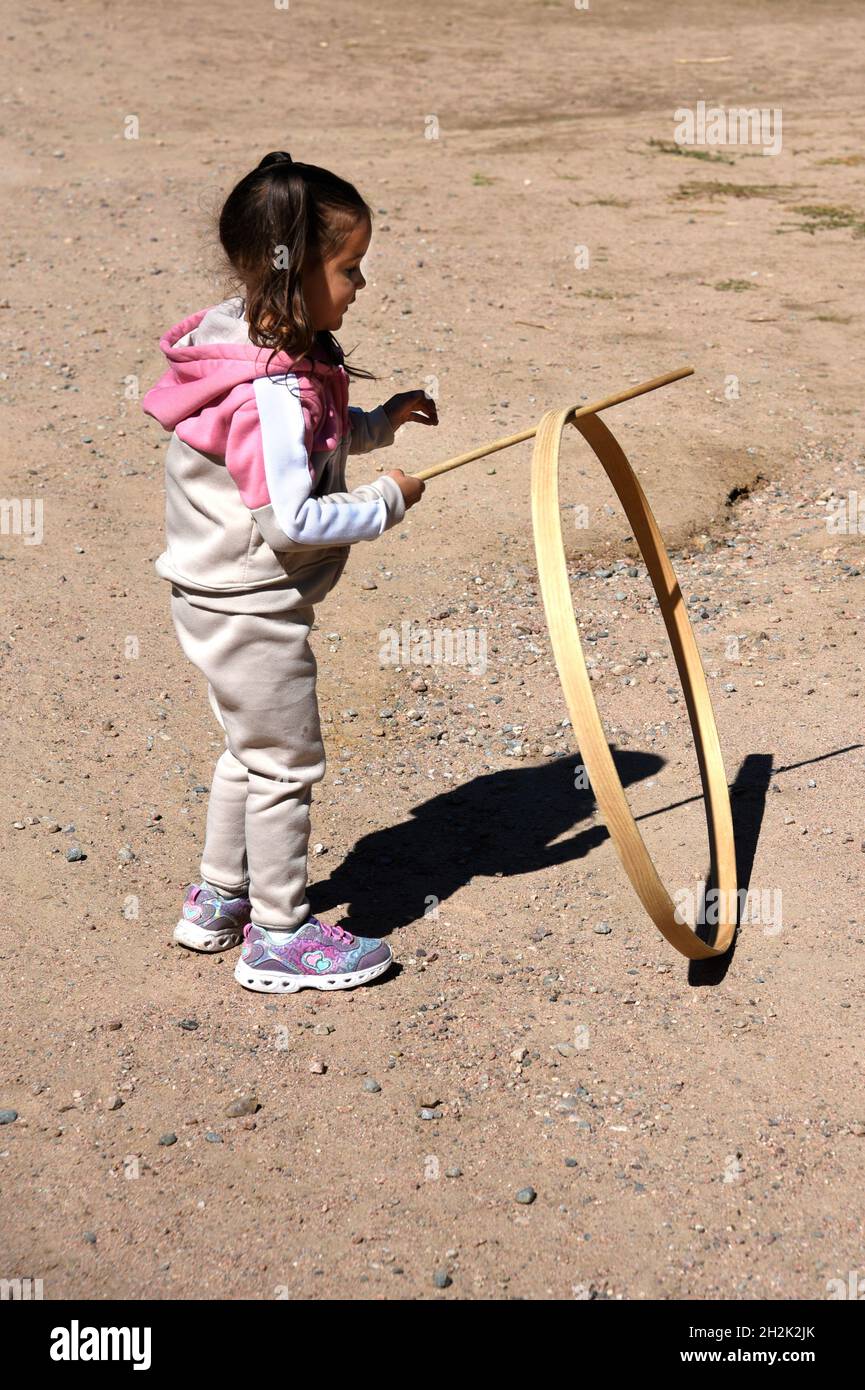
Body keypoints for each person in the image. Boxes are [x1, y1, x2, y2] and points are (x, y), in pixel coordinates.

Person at [141, 151, 436, 994]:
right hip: (247, 602)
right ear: (292, 270)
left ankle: (217, 900)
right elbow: (291, 514)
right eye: (348, 268)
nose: (361, 285)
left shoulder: (252, 339)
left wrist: (379, 421)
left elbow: (308, 441)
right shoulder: (270, 390)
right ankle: (278, 933)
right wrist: (388, 499)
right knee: (286, 764)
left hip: (219, 592)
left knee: (251, 749)